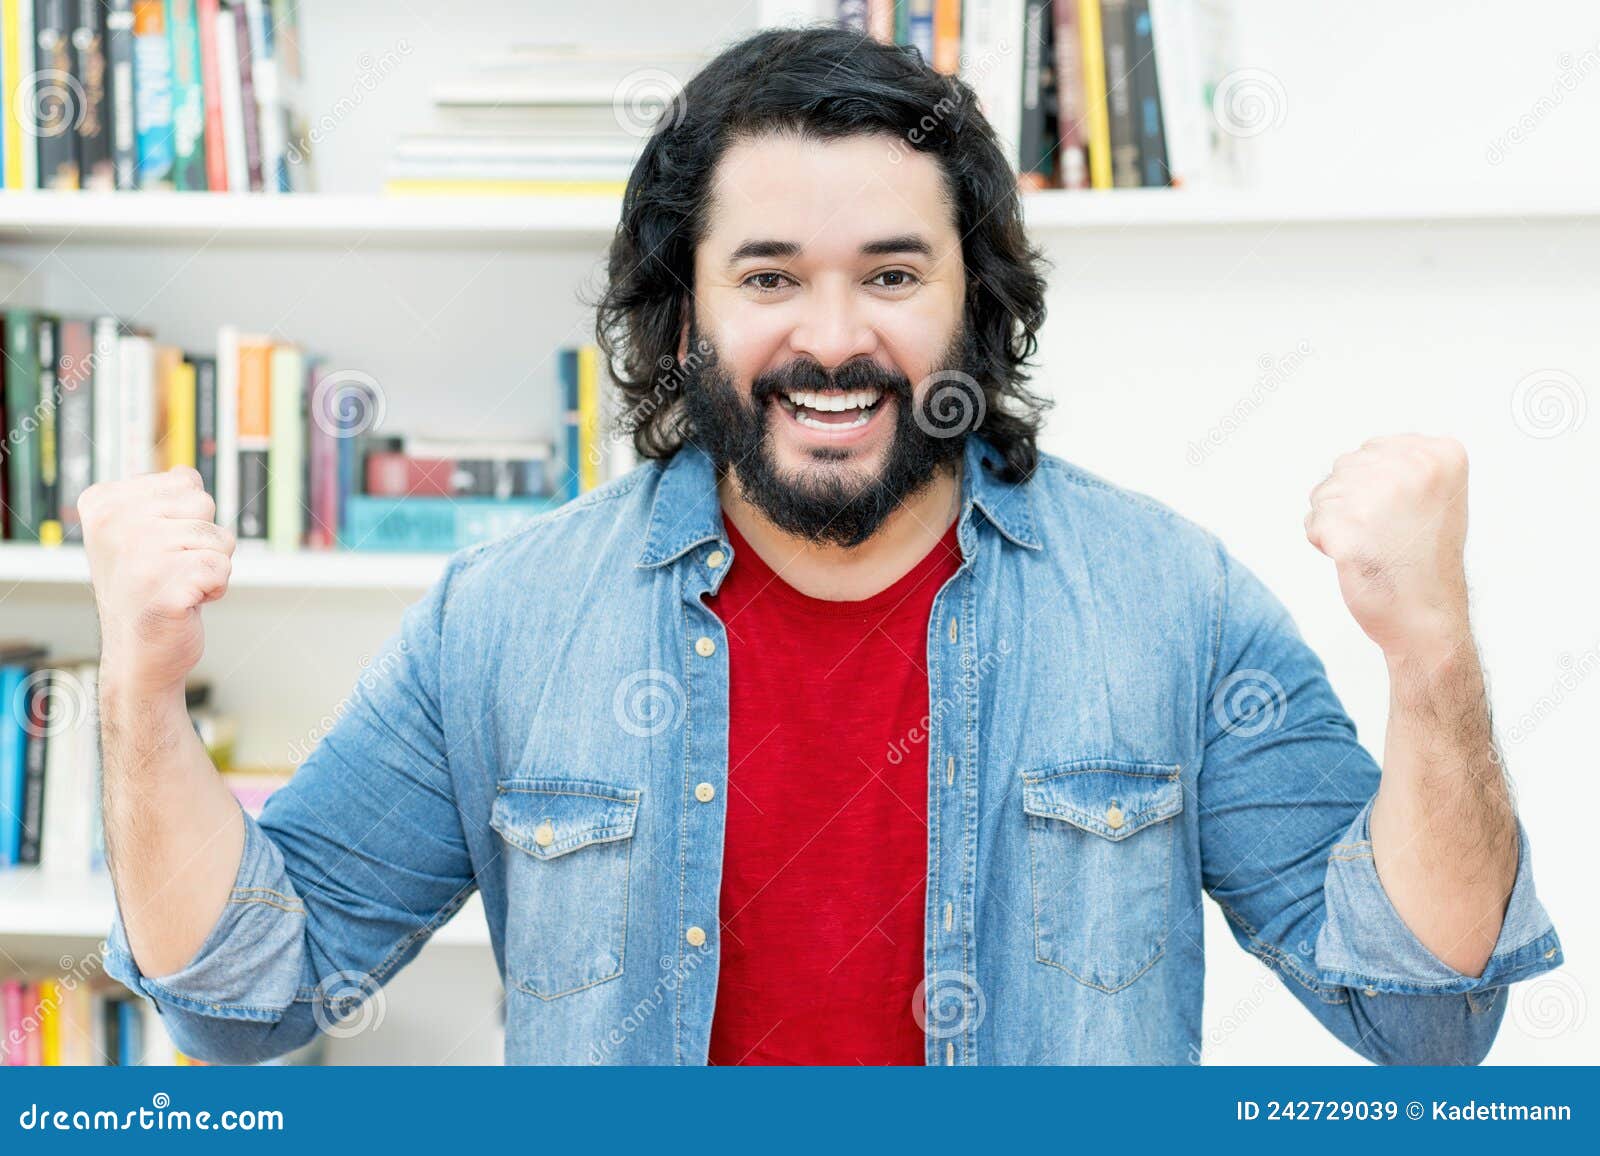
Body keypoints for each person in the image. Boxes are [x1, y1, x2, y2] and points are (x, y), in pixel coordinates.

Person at [89, 26, 1560, 1066]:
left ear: (979, 311)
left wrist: (1434, 655)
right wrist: (140, 698)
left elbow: (1425, 1019)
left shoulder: (1173, 604)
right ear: (687, 318)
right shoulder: (507, 621)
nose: (836, 337)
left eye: (895, 274)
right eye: (772, 276)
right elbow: (250, 1001)